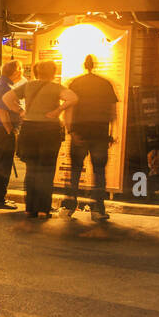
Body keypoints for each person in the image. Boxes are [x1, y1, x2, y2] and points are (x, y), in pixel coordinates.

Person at [2, 60, 75, 218]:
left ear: (37, 71)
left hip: (29, 129)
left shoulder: (28, 86)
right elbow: (73, 98)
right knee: (47, 170)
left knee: (32, 169)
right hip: (49, 130)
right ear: (53, 72)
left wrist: (20, 111)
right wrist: (58, 111)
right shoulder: (56, 87)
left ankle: (30, 208)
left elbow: (7, 98)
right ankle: (44, 208)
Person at [63, 54, 117, 221]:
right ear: (95, 64)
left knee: (75, 171)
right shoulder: (106, 83)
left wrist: (70, 130)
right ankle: (98, 209)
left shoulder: (75, 83)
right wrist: (112, 133)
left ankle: (69, 206)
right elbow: (113, 112)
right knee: (99, 171)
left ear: (84, 64)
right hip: (100, 132)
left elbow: (69, 109)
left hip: (79, 131)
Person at [0, 60, 22, 210]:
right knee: (3, 165)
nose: (21, 72)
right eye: (20, 69)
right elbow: (2, 111)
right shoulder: (4, 87)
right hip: (4, 130)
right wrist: (10, 130)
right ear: (15, 72)